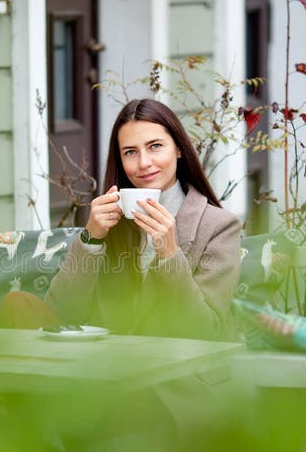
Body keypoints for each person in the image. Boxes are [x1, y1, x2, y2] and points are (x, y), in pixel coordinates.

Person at [45, 98, 242, 341]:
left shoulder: (219, 227)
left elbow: (206, 331)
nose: (144, 163)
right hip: (106, 368)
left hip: (177, 373)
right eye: (130, 152)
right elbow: (61, 313)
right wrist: (90, 239)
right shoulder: (108, 220)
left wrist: (170, 254)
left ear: (178, 148)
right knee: (19, 306)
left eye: (155, 146)